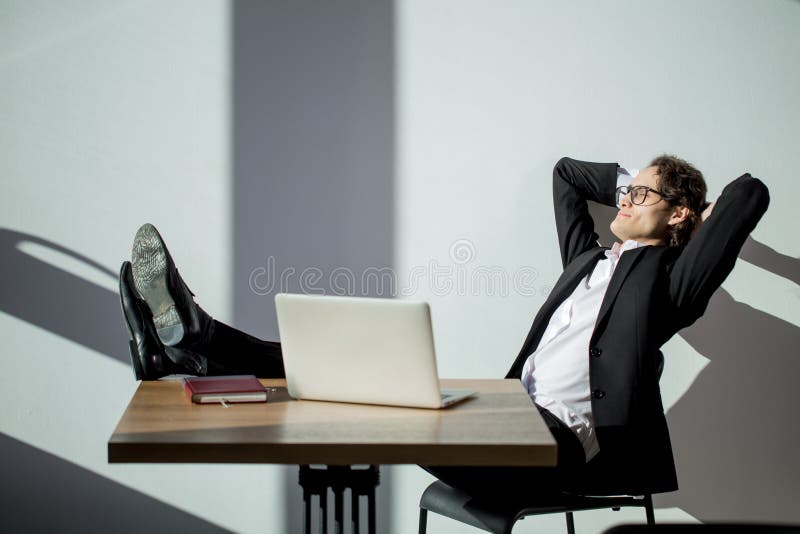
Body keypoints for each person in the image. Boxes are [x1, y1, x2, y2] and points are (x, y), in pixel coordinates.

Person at [118, 155, 769, 498]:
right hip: (509, 415)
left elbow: (752, 193)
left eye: (642, 195)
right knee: (365, 370)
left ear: (682, 216)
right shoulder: (586, 262)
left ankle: (193, 349)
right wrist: (634, 179)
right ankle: (194, 342)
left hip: (561, 451)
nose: (623, 201)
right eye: (625, 193)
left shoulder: (672, 284)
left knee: (383, 396)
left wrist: (701, 215)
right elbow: (568, 176)